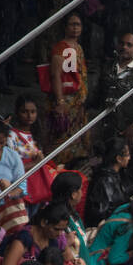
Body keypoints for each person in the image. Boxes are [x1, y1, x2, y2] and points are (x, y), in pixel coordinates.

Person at [95, 34, 133, 151]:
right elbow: (99, 94)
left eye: (129, 45)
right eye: (122, 43)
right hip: (107, 127)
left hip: (130, 130)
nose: (124, 47)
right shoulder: (107, 67)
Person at [46, 14, 89, 164]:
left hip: (77, 104)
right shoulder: (61, 48)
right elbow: (55, 75)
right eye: (72, 24)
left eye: (78, 24)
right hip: (66, 102)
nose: (76, 28)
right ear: (65, 27)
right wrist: (60, 101)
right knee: (61, 137)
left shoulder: (78, 47)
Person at [84, 136, 133, 229]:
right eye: (127, 155)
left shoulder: (117, 175)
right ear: (119, 158)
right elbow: (102, 212)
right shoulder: (105, 180)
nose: (129, 158)